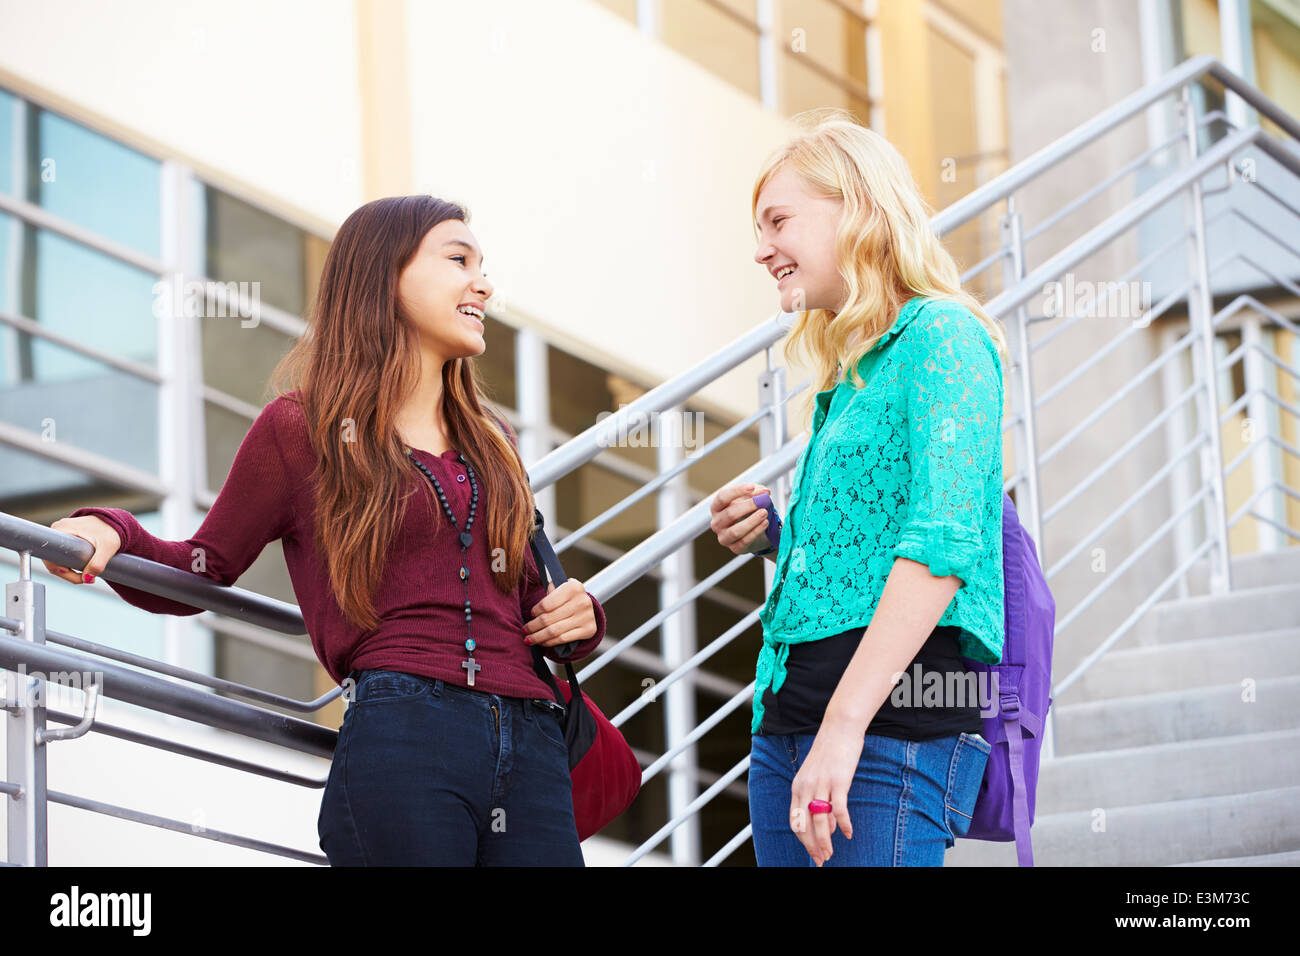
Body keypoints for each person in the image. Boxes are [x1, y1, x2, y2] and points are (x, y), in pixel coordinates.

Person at [43, 195, 605, 866]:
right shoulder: (298, 430)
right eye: (459, 260)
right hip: (405, 737)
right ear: (383, 275)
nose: (482, 281)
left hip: (532, 739)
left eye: (483, 266)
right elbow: (204, 565)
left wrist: (580, 617)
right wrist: (112, 529)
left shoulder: (493, 440)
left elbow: (527, 599)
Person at [710, 110, 1008, 867]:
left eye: (780, 220)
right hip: (789, 728)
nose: (761, 248)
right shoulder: (846, 380)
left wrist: (844, 728)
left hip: (891, 729)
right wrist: (779, 531)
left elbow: (943, 546)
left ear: (858, 206)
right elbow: (876, 537)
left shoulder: (945, 337)